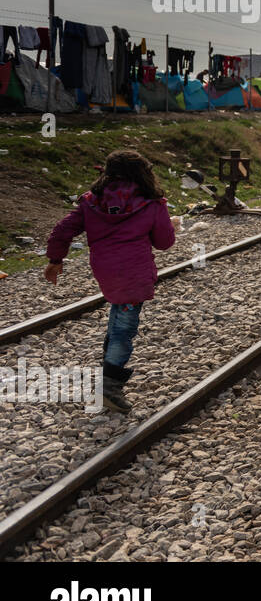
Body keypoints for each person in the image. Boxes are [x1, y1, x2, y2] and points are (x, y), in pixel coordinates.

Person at [43, 149, 176, 413]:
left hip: (105, 270)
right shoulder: (150, 203)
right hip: (134, 272)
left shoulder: (92, 201)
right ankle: (109, 387)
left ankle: (107, 376)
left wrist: (55, 260)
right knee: (124, 330)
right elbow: (165, 242)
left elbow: (62, 230)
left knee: (118, 316)